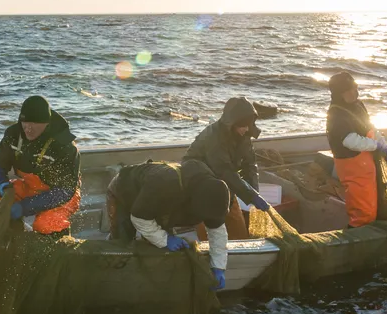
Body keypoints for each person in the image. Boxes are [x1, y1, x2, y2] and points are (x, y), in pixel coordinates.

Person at [106, 159, 232, 290]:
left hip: (158, 203)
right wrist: (164, 239)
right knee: (122, 245)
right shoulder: (164, 184)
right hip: (124, 191)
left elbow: (217, 231)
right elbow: (139, 217)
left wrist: (218, 266)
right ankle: (113, 281)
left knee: (163, 250)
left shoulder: (213, 195)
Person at [0, 96, 81, 237]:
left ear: (47, 123)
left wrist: (24, 207)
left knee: (45, 224)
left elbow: (65, 191)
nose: (28, 129)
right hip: (31, 187)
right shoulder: (13, 135)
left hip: (61, 195)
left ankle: (57, 252)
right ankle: (11, 239)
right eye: (25, 122)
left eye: (35, 123)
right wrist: (1, 185)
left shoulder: (65, 146)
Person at [183, 97, 271, 238]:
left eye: (249, 124)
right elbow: (224, 170)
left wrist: (255, 193)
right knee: (210, 236)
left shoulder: (244, 135)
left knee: (240, 234)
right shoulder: (214, 137)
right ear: (233, 123)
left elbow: (250, 165)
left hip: (227, 188)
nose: (247, 129)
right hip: (202, 187)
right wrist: (250, 194)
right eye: (243, 125)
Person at [327, 72, 387, 228]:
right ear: (339, 93)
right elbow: (350, 140)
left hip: (367, 164)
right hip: (352, 166)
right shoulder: (336, 114)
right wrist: (375, 146)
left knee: (374, 202)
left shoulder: (358, 106)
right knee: (361, 208)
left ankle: (372, 227)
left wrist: (384, 146)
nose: (354, 93)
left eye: (355, 88)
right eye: (349, 90)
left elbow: (371, 128)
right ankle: (357, 232)